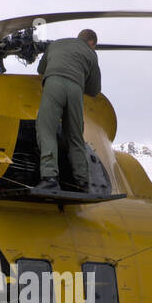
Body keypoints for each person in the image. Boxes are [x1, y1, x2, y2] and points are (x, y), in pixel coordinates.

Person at [36, 29, 101, 193]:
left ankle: (50, 178)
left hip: (54, 84)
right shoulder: (91, 54)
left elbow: (40, 69)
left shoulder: (55, 44)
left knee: (46, 130)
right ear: (92, 43)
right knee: (75, 136)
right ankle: (82, 182)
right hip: (76, 90)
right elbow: (94, 90)